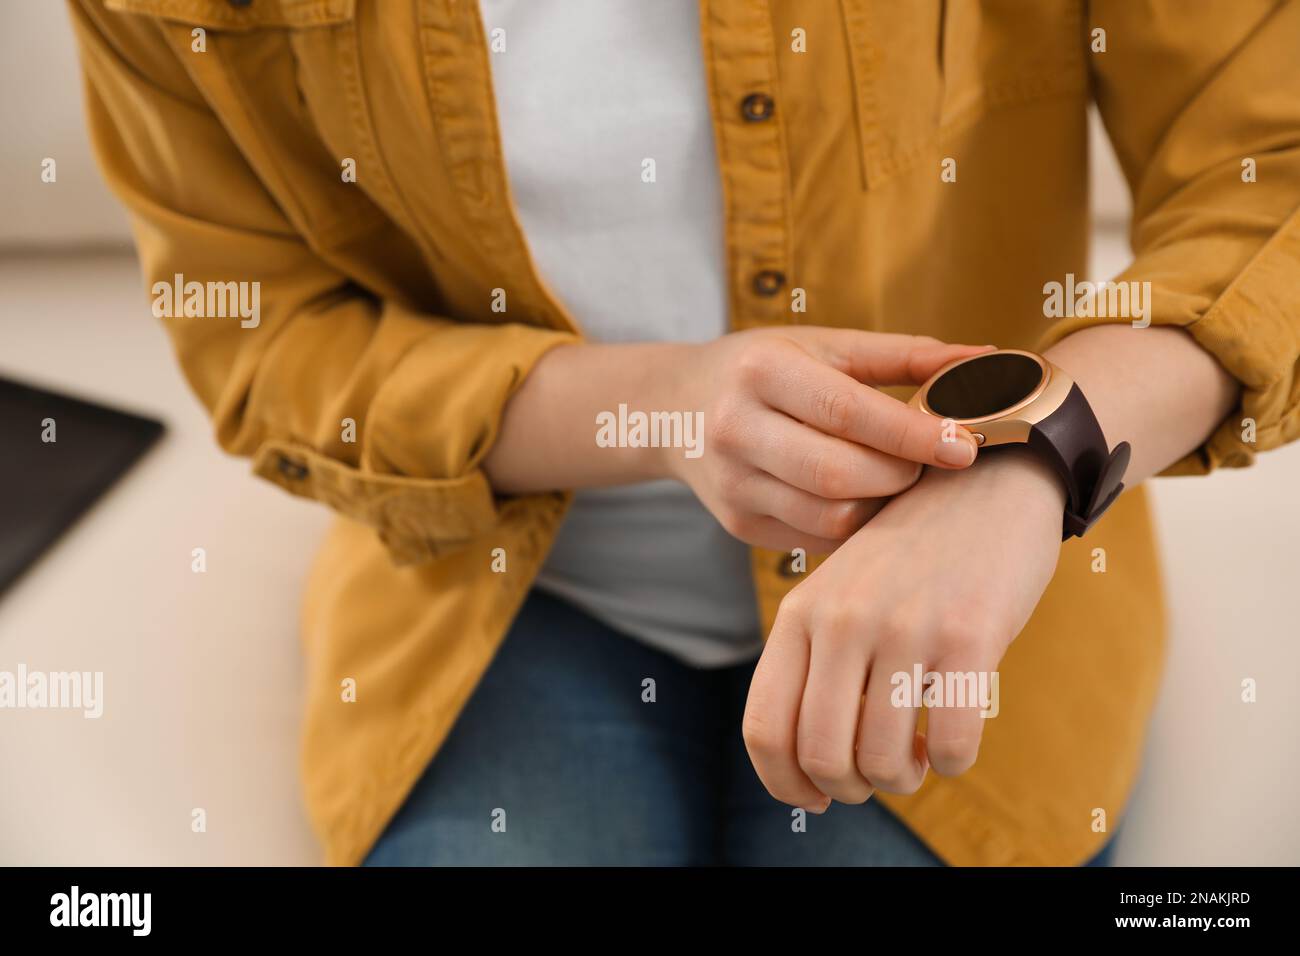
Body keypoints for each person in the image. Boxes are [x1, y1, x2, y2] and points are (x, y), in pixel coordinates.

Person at [70, 0, 1300, 866]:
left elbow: (1271, 174)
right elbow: (266, 335)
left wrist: (1031, 463)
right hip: (503, 599)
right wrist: (662, 405)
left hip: (988, 602)